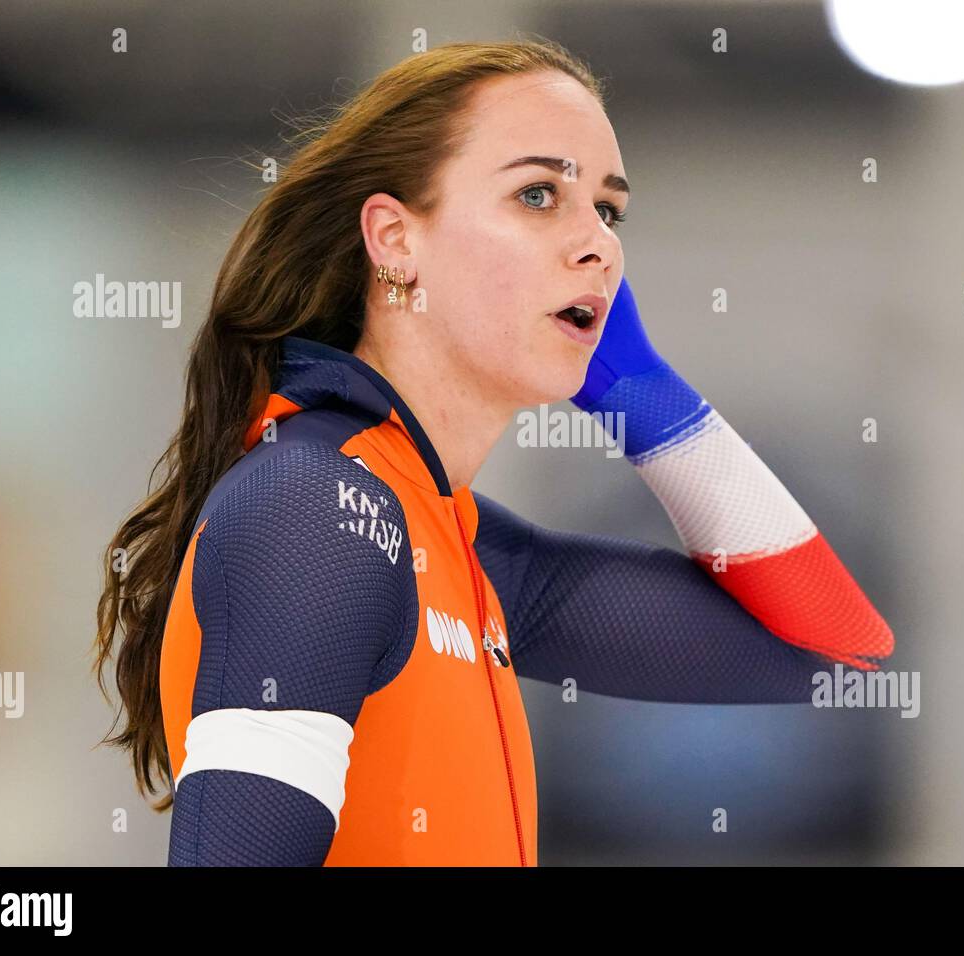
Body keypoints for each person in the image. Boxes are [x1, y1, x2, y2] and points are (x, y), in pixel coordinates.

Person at [92, 37, 894, 867]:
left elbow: (829, 652)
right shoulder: (318, 511)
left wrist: (638, 387)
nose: (599, 245)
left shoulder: (462, 547)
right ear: (395, 241)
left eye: (608, 211)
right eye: (539, 194)